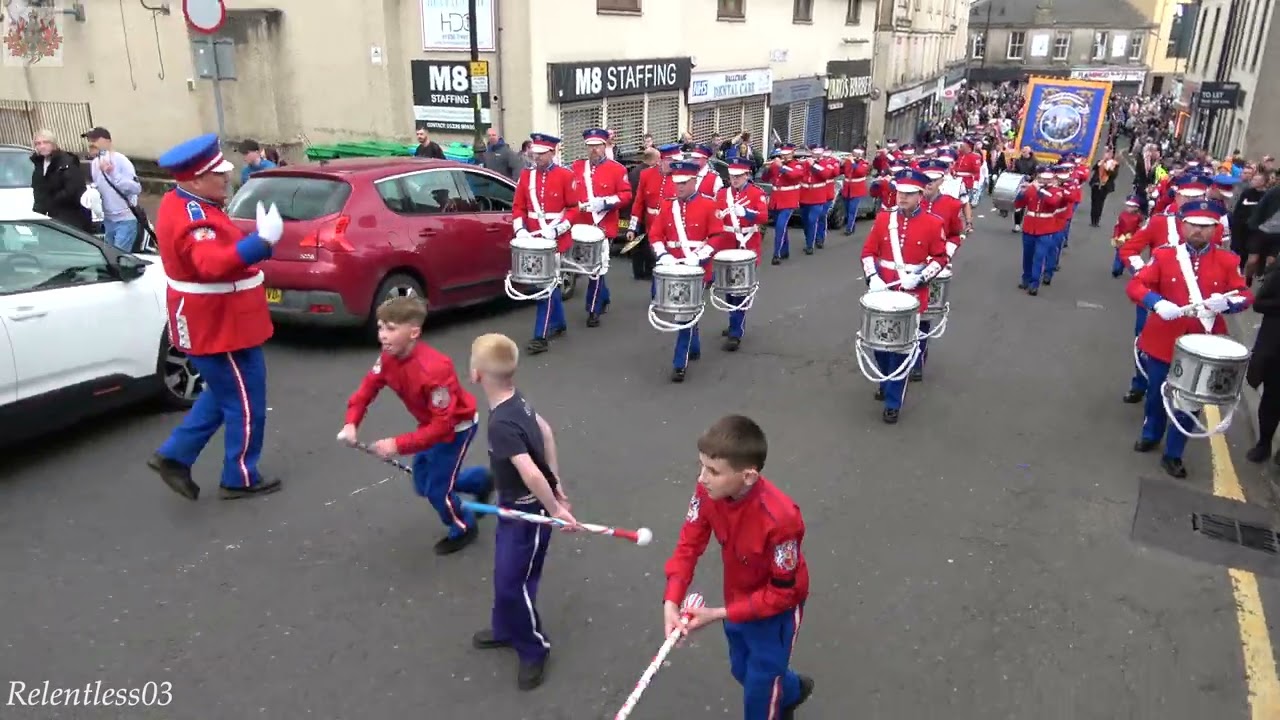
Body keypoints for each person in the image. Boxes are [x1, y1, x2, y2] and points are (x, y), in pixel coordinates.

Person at [147, 134, 282, 500]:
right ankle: (239, 476)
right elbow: (210, 265)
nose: (227, 177)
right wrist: (261, 243)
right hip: (219, 326)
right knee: (245, 401)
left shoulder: (190, 201)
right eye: (218, 173)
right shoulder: (195, 217)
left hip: (223, 322)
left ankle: (174, 455)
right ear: (194, 179)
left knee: (224, 395)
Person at [662, 415, 814, 720]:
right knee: (742, 669)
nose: (702, 478)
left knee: (759, 692)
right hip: (737, 597)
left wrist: (718, 614)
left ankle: (777, 698)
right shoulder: (708, 491)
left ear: (748, 477)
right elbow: (689, 544)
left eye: (714, 471)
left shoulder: (781, 519)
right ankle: (793, 689)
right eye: (701, 466)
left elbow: (782, 594)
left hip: (777, 614)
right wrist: (671, 600)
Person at [338, 296, 494, 554]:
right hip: (429, 427)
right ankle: (479, 481)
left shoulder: (434, 370)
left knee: (437, 492)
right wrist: (351, 423)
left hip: (456, 430)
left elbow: (442, 427)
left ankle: (463, 527)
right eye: (380, 327)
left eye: (390, 328)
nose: (382, 336)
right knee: (422, 484)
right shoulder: (388, 358)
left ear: (414, 332)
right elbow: (366, 390)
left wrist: (397, 444)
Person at [467, 333, 577, 691]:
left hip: (527, 517)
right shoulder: (517, 401)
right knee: (506, 573)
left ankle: (533, 648)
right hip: (512, 509)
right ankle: (505, 628)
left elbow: (529, 471)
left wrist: (555, 507)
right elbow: (546, 432)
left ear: (476, 374)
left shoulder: (500, 423)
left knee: (515, 584)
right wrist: (557, 482)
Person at [1126, 199, 1253, 478]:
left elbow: (1245, 294)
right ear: (1182, 226)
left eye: (1206, 226)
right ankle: (1151, 433)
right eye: (1194, 225)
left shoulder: (1228, 260)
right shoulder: (1164, 255)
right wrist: (1156, 302)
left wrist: (1228, 305)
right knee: (1157, 393)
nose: (1199, 231)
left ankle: (1173, 453)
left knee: (1191, 401)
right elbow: (1137, 285)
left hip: (1203, 342)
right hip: (1163, 339)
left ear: (1216, 229)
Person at [861, 169, 949, 423]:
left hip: (911, 294)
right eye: (900, 192)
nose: (902, 198)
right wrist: (872, 276)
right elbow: (868, 252)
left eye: (909, 194)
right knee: (878, 344)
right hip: (884, 291)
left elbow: (940, 258)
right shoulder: (883, 219)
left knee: (900, 349)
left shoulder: (933, 223)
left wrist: (921, 277)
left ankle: (893, 401)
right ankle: (885, 378)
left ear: (920, 195)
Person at [649, 160, 720, 383]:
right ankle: (694, 346)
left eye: (683, 183)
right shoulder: (668, 206)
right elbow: (655, 235)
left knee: (684, 315)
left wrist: (697, 257)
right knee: (687, 311)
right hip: (673, 267)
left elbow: (717, 236)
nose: (678, 187)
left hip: (696, 269)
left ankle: (679, 363)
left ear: (694, 181)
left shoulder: (709, 205)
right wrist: (663, 255)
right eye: (676, 183)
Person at [512, 133, 578, 355]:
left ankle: (540, 336)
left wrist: (559, 228)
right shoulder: (526, 176)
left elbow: (573, 208)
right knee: (548, 284)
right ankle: (558, 323)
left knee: (545, 287)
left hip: (555, 240)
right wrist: (520, 229)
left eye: (541, 154)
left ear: (553, 153)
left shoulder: (565, 176)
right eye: (534, 154)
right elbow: (518, 206)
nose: (536, 158)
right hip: (533, 239)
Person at [569, 128, 633, 327]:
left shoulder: (617, 169)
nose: (594, 150)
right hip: (581, 225)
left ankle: (593, 310)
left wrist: (603, 203)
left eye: (597, 146)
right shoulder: (577, 167)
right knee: (587, 267)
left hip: (603, 226)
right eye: (590, 146)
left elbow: (625, 196)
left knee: (597, 267)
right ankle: (603, 297)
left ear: (605, 146)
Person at [712, 159, 768, 352]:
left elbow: (763, 217)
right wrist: (717, 214)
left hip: (747, 242)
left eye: (738, 176)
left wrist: (747, 213)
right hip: (727, 242)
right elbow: (714, 214)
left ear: (747, 175)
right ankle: (733, 321)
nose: (734, 179)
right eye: (732, 176)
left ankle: (736, 331)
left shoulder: (756, 193)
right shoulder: (722, 194)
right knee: (729, 289)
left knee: (741, 291)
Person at [82, 127, 144, 251]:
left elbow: (136, 188)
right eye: (89, 140)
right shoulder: (95, 163)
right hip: (108, 220)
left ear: (107, 141)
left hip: (125, 219)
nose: (90, 143)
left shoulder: (121, 161)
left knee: (119, 257)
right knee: (109, 257)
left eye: (94, 139)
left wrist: (113, 173)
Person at [627, 144, 681, 281]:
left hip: (672, 227)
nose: (675, 165)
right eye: (672, 161)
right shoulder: (646, 175)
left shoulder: (681, 177)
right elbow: (639, 202)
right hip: (650, 223)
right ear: (662, 160)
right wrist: (633, 227)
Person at [1014, 167, 1066, 296]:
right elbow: (1018, 205)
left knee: (1039, 256)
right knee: (1028, 255)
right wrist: (1021, 193)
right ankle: (1025, 278)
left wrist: (1040, 189)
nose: (1044, 181)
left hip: (1045, 228)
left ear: (1053, 179)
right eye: (1042, 178)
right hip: (1029, 226)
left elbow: (1052, 202)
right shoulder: (1032, 189)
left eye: (1047, 179)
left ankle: (1034, 283)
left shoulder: (1057, 191)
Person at [29, 129, 90, 232]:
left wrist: (50, 201)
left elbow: (73, 190)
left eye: (46, 142)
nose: (42, 146)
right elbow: (38, 190)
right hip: (46, 217)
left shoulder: (67, 161)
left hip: (68, 217)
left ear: (53, 144)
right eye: (38, 143)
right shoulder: (39, 163)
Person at [760, 144, 801, 265]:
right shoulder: (776, 165)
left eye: (787, 154)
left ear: (792, 153)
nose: (784, 156)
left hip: (789, 201)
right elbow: (765, 179)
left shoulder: (797, 165)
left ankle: (776, 254)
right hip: (776, 201)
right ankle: (785, 250)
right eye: (783, 154)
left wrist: (781, 166)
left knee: (780, 227)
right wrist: (767, 168)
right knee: (782, 227)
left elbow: (794, 175)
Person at [840, 147, 870, 235]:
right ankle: (851, 226)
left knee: (852, 210)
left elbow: (860, 172)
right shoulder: (848, 162)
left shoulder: (864, 163)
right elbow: (842, 171)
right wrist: (842, 164)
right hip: (847, 189)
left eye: (858, 153)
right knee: (846, 209)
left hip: (857, 190)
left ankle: (849, 228)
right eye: (854, 153)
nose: (855, 155)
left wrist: (852, 162)